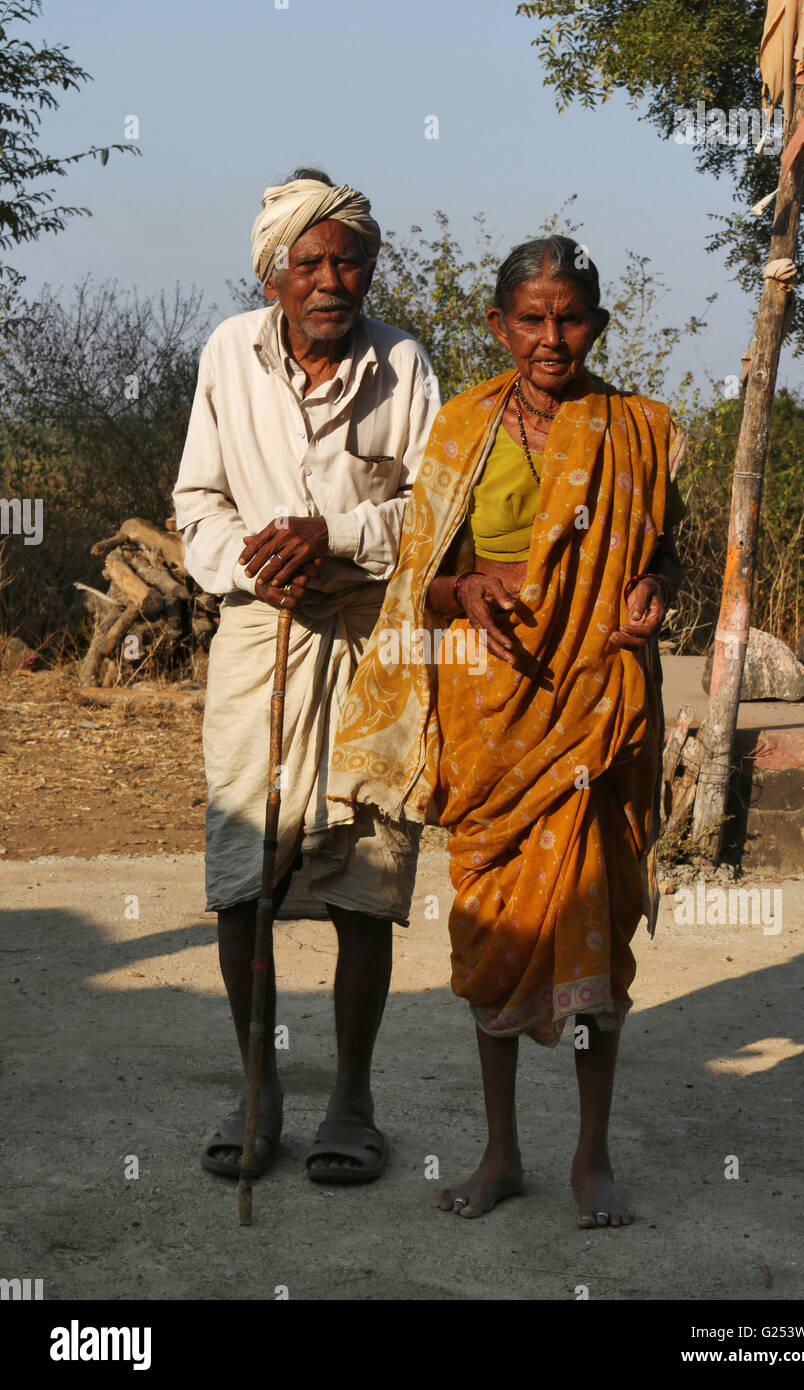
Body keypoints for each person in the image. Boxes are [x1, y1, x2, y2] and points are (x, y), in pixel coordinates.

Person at [329, 235, 685, 1225]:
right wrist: (463, 586)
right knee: (492, 939)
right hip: (489, 719)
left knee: (588, 951)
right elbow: (417, 584)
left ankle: (589, 1157)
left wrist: (651, 592)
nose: (549, 338)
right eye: (529, 319)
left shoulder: (639, 429)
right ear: (498, 327)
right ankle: (499, 1152)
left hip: (592, 712)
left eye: (568, 318)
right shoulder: (460, 429)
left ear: (597, 325)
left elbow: (662, 556)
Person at [172, 169, 440, 1184]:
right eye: (309, 261)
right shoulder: (225, 358)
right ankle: (256, 1088)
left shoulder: (402, 363)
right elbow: (197, 503)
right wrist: (254, 556)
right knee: (243, 869)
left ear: (367, 269)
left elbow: (432, 513)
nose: (330, 279)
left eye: (348, 260)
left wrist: (328, 533)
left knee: (365, 876)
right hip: (256, 638)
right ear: (275, 273)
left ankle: (352, 1102)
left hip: (371, 641)